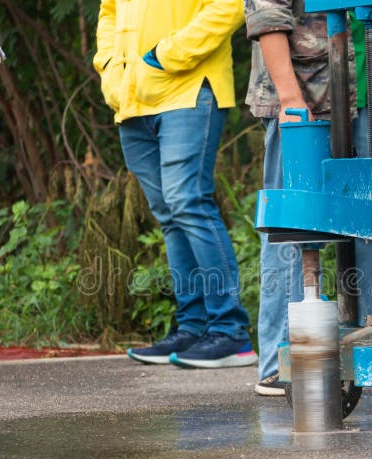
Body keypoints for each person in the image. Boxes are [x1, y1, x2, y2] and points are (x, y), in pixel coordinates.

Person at [244, 1, 372, 396]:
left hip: (358, 94)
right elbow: (267, 17)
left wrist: (371, 86)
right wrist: (290, 99)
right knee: (291, 225)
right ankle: (283, 361)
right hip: (303, 97)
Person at [94, 0, 257, 369]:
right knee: (169, 215)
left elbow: (231, 6)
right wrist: (109, 65)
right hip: (132, 98)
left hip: (189, 87)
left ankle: (230, 331)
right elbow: (109, 12)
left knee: (188, 203)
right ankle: (193, 328)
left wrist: (165, 56)